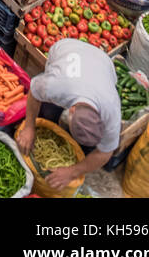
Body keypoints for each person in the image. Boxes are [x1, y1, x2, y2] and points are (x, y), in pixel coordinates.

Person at [16, 39, 121, 190]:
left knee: (86, 150)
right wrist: (29, 126)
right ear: (71, 109)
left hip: (103, 62)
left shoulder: (111, 109)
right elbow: (34, 91)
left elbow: (106, 152)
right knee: (48, 111)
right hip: (66, 47)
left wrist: (72, 172)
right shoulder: (56, 86)